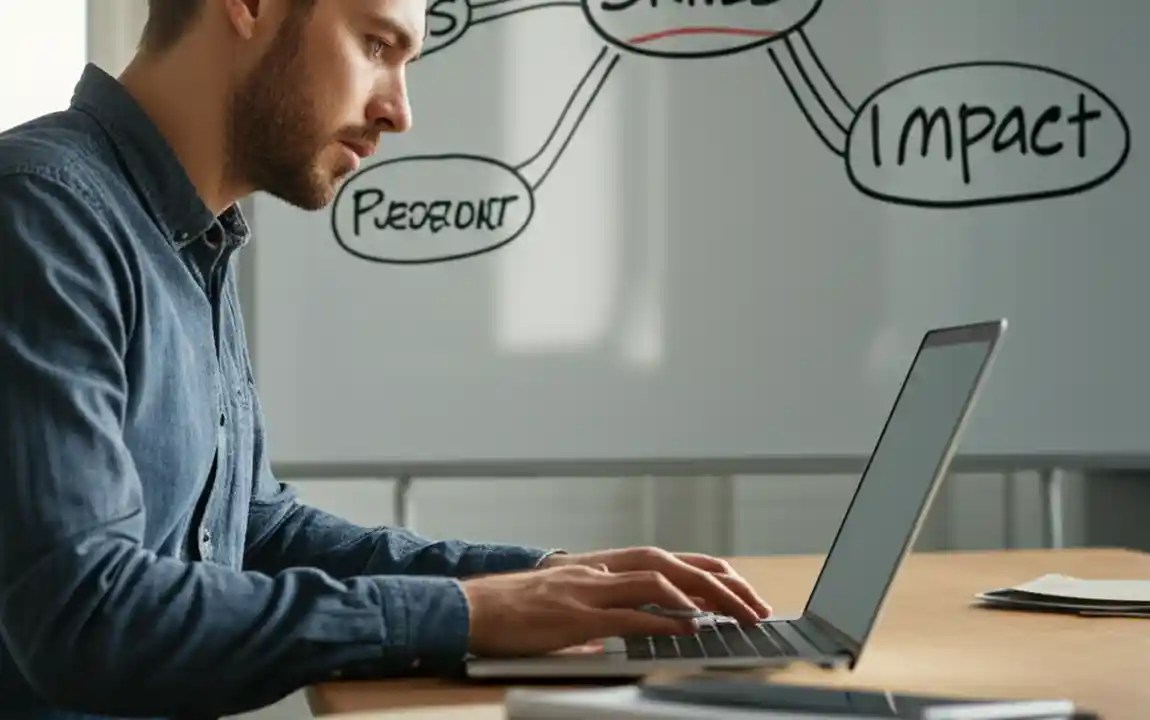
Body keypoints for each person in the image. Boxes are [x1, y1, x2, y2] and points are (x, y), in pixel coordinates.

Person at [0, 1, 772, 717]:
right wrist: (469, 616)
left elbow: (253, 533)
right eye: (375, 45)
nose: (398, 112)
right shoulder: (43, 216)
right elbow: (84, 617)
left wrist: (540, 578)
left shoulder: (186, 232)